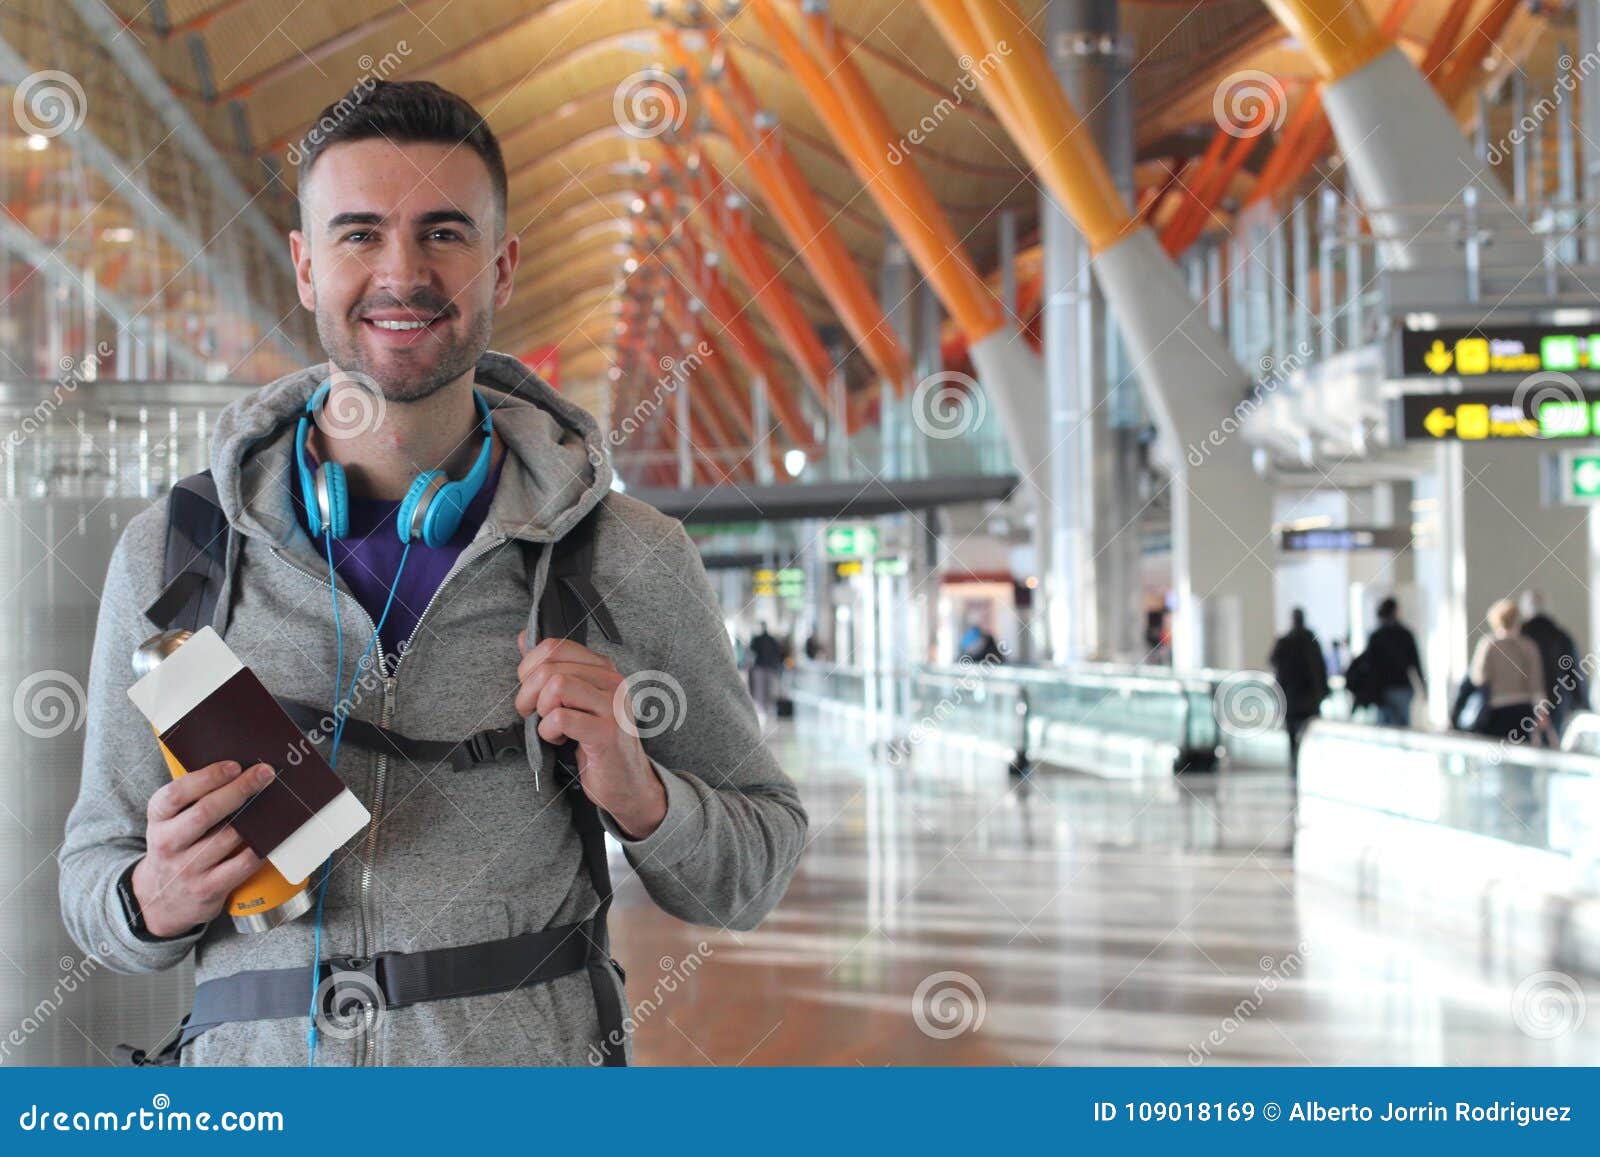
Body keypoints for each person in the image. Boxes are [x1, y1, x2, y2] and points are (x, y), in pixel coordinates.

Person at [57, 80, 807, 1067]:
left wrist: (642, 793)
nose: (401, 273)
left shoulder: (622, 553)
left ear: (500, 265)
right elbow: (89, 873)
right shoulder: (178, 553)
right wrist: (149, 897)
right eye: (359, 233)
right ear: (305, 267)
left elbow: (750, 872)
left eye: (442, 233)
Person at [1470, 598, 1551, 746]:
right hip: (1522, 709)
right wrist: (1541, 711)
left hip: (1496, 709)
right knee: (1521, 752)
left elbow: (1479, 677)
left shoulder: (1488, 644)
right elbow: (1536, 683)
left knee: (1496, 752)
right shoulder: (1528, 645)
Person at [1520, 590, 1586, 738]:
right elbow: (1574, 673)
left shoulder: (1520, 636)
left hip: (1525, 704)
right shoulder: (1561, 637)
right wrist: (1582, 703)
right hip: (1557, 701)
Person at [1270, 608, 1328, 774]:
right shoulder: (1311, 641)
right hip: (1308, 698)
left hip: (1292, 697)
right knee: (1308, 732)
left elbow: (1275, 663)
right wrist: (1322, 692)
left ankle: (1295, 763)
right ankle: (1305, 763)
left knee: (1293, 734)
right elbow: (1320, 670)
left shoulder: (1285, 642)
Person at [1363, 597, 1425, 727]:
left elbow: (1369, 666)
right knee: (1402, 726)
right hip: (1401, 687)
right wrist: (1424, 687)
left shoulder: (1376, 636)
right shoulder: (1405, 634)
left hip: (1384, 689)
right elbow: (1416, 663)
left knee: (1384, 727)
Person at [747, 621, 785, 717]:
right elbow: (778, 653)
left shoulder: (757, 639)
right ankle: (768, 707)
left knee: (760, 688)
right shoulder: (771, 640)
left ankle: (762, 707)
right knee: (768, 688)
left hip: (760, 666)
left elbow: (751, 652)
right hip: (769, 666)